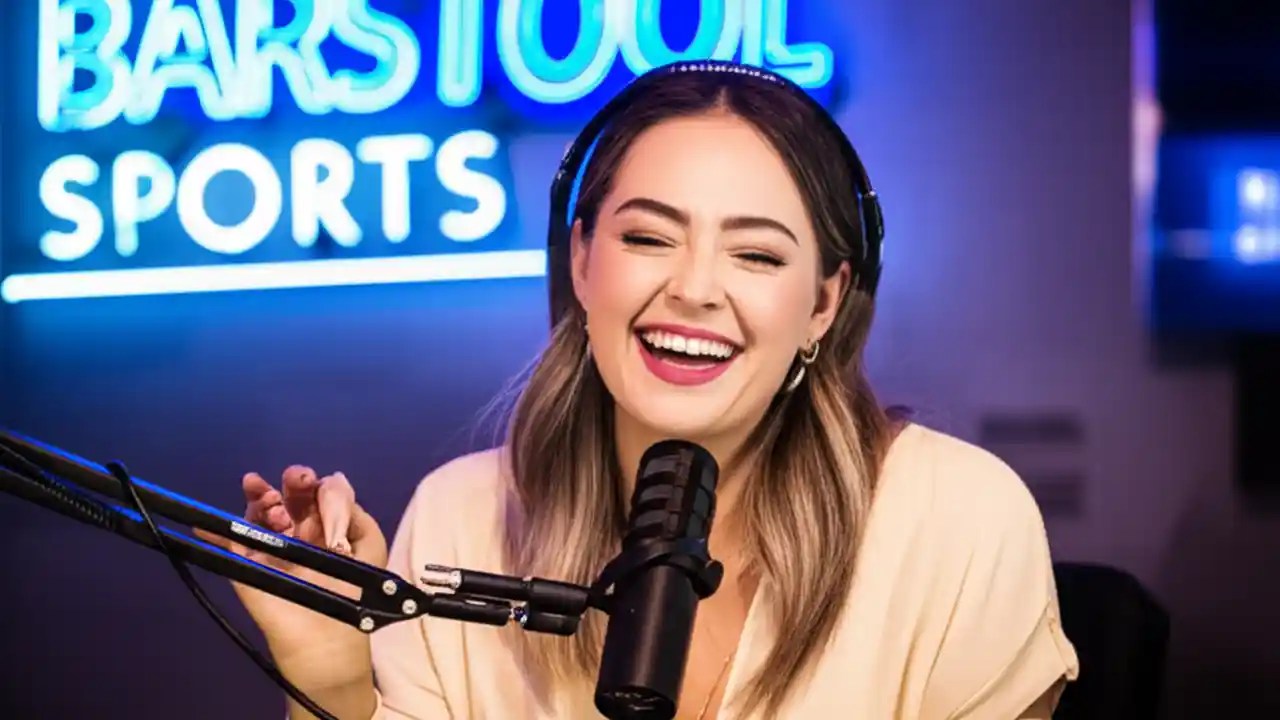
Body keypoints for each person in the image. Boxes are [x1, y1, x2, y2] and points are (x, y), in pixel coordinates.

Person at [213, 61, 1079, 719]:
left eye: (756, 254)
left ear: (823, 303)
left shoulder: (957, 517)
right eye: (650, 237)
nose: (696, 288)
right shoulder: (459, 517)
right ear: (581, 261)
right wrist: (328, 682)